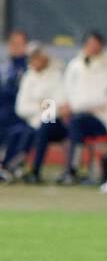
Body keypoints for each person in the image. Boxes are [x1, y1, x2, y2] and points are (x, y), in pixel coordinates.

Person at [49, 30, 107, 184]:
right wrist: (60, 108)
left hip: (102, 118)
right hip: (73, 115)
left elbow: (102, 98)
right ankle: (30, 171)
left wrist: (72, 108)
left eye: (96, 44)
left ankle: (73, 169)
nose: (93, 48)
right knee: (45, 125)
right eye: (90, 44)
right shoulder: (75, 64)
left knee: (77, 123)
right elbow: (64, 90)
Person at [1, 40, 62, 182]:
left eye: (38, 57)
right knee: (19, 132)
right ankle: (10, 167)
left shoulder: (56, 75)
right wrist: (39, 106)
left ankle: (35, 170)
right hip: (32, 121)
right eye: (33, 58)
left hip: (52, 123)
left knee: (42, 129)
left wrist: (41, 109)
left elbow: (58, 104)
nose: (35, 61)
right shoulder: (29, 77)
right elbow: (21, 108)